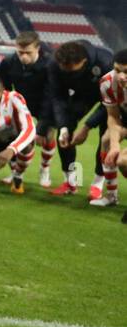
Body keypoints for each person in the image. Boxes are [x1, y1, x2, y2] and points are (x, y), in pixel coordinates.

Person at [48, 39, 113, 199]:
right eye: (64, 70)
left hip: (109, 101)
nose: (67, 73)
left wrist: (86, 127)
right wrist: (63, 126)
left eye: (71, 70)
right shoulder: (55, 63)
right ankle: (70, 182)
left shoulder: (106, 62)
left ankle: (97, 184)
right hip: (81, 96)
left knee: (106, 137)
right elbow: (57, 96)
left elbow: (110, 102)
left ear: (84, 61)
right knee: (65, 132)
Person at [0, 32, 57, 187]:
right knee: (16, 136)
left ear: (38, 49)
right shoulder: (8, 62)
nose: (23, 56)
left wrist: (41, 125)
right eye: (20, 52)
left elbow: (50, 95)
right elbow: (5, 89)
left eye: (28, 53)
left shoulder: (50, 65)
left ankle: (45, 169)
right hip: (23, 104)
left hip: (46, 104)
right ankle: (16, 172)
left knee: (47, 135)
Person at [90, 49, 127, 209]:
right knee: (106, 141)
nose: (121, 76)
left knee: (123, 161)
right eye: (117, 70)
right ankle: (111, 196)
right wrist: (115, 145)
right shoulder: (107, 82)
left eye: (126, 72)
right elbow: (112, 117)